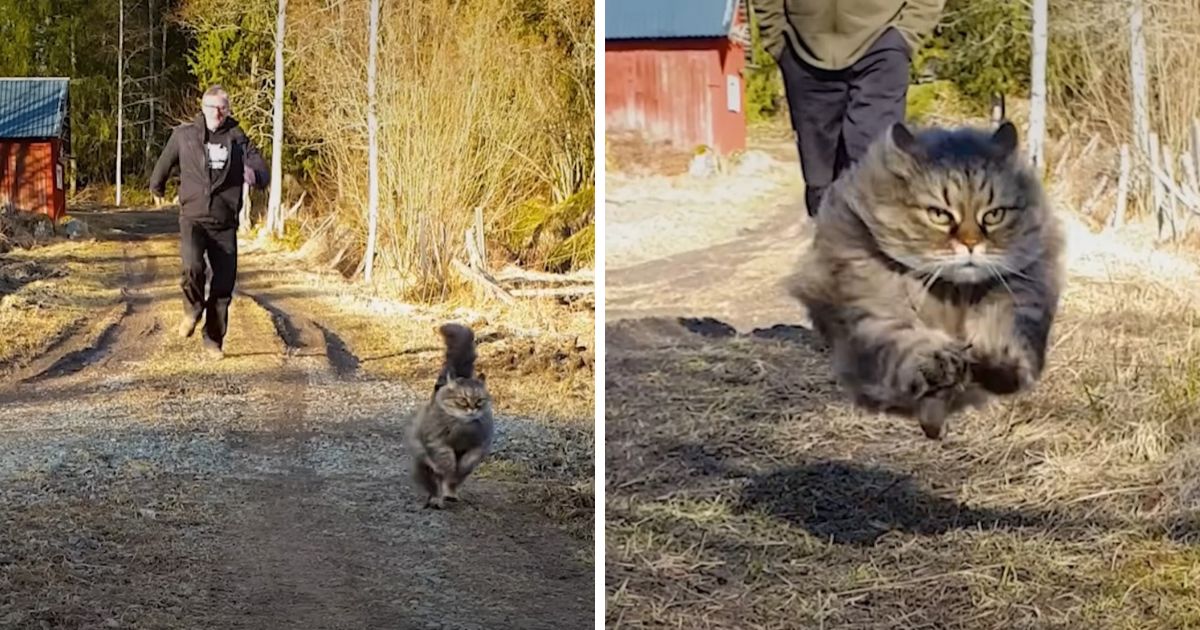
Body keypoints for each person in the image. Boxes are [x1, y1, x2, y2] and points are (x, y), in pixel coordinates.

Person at [751, 0, 945, 216]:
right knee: (820, 182)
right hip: (803, 50)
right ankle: (830, 242)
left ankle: (873, 244)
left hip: (881, 43)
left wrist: (907, 34)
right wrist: (777, 39)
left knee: (872, 163)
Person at [149, 85, 269, 358]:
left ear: (228, 110)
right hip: (193, 217)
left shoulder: (238, 139)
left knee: (223, 284)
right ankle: (192, 310)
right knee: (192, 266)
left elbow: (261, 167)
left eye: (223, 107)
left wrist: (256, 175)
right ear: (203, 108)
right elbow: (165, 162)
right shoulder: (185, 135)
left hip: (225, 221)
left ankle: (213, 339)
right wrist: (157, 186)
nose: (218, 112)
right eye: (213, 107)